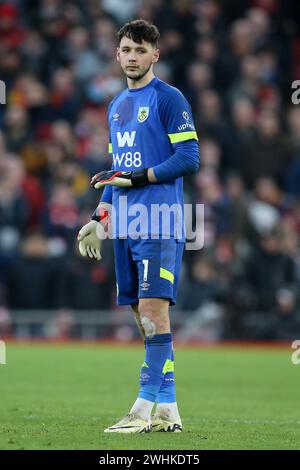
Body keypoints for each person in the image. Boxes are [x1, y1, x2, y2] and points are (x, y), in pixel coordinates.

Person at [77, 19, 200, 433]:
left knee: (152, 310)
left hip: (160, 220)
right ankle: (169, 409)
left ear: (155, 55)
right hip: (126, 224)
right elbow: (117, 173)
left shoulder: (169, 98)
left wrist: (141, 177)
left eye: (141, 50)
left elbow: (189, 158)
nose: (133, 57)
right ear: (117, 54)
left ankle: (142, 408)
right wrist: (99, 219)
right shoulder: (115, 107)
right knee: (142, 315)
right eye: (127, 50)